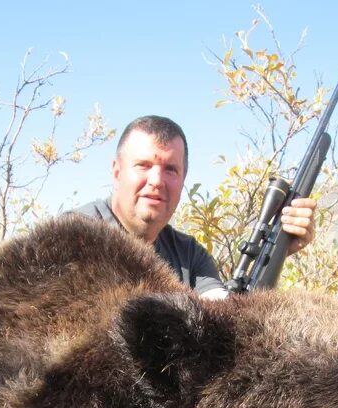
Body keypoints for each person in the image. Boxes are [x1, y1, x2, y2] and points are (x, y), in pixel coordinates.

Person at [72, 115, 317, 299]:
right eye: (143, 165)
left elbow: (223, 314)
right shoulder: (72, 238)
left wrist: (276, 253)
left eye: (171, 169)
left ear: (183, 180)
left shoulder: (189, 255)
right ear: (116, 172)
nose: (157, 181)